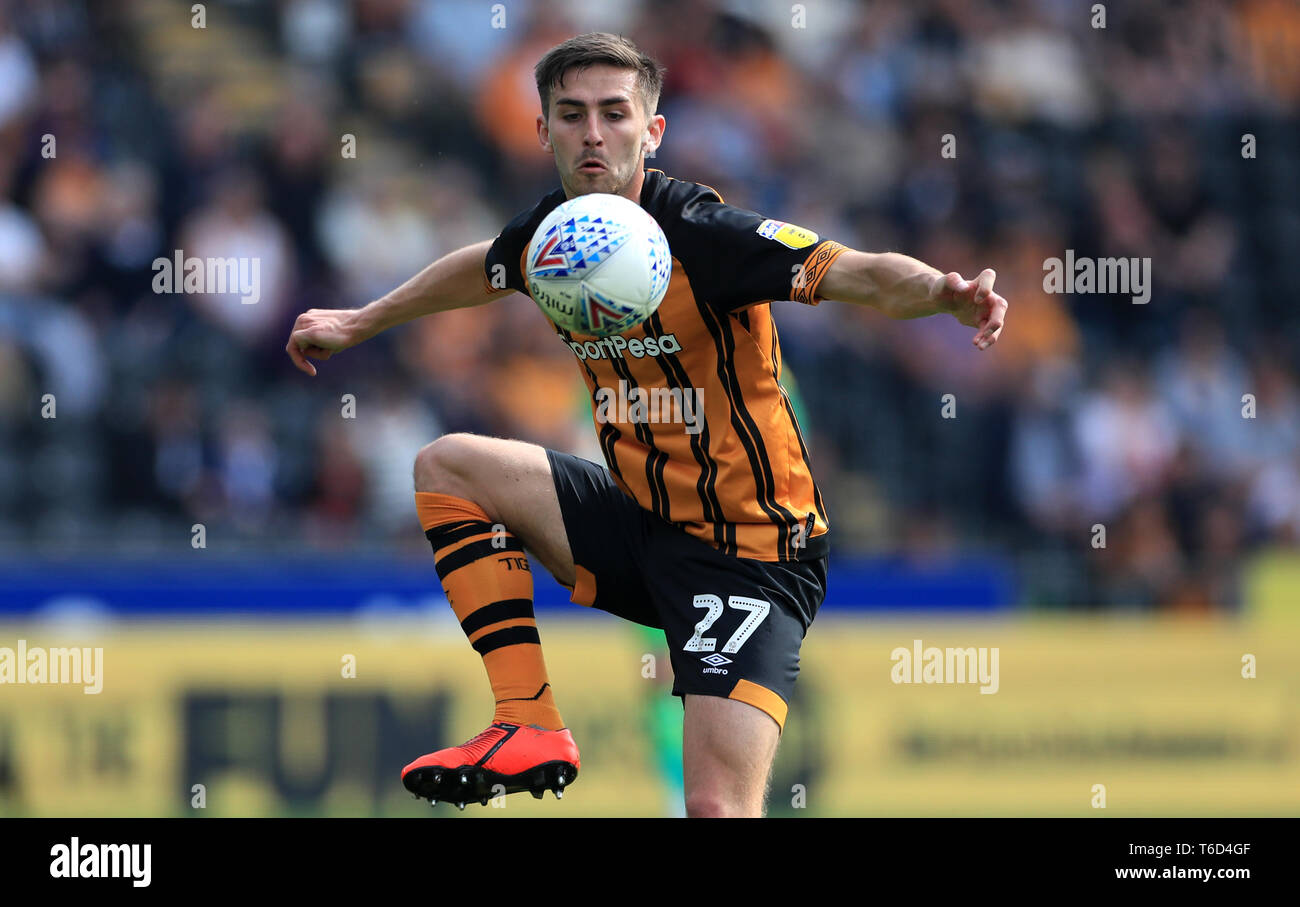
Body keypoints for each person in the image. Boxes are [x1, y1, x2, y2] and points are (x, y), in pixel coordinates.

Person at [285, 32, 1008, 817]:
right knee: (448, 466)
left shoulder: (706, 233)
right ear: (543, 132)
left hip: (751, 553)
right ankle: (525, 720)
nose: (593, 133)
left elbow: (854, 271)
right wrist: (362, 320)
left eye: (613, 113)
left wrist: (941, 289)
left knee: (716, 808)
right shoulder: (552, 237)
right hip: (641, 525)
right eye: (571, 115)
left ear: (651, 131)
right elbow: (485, 266)